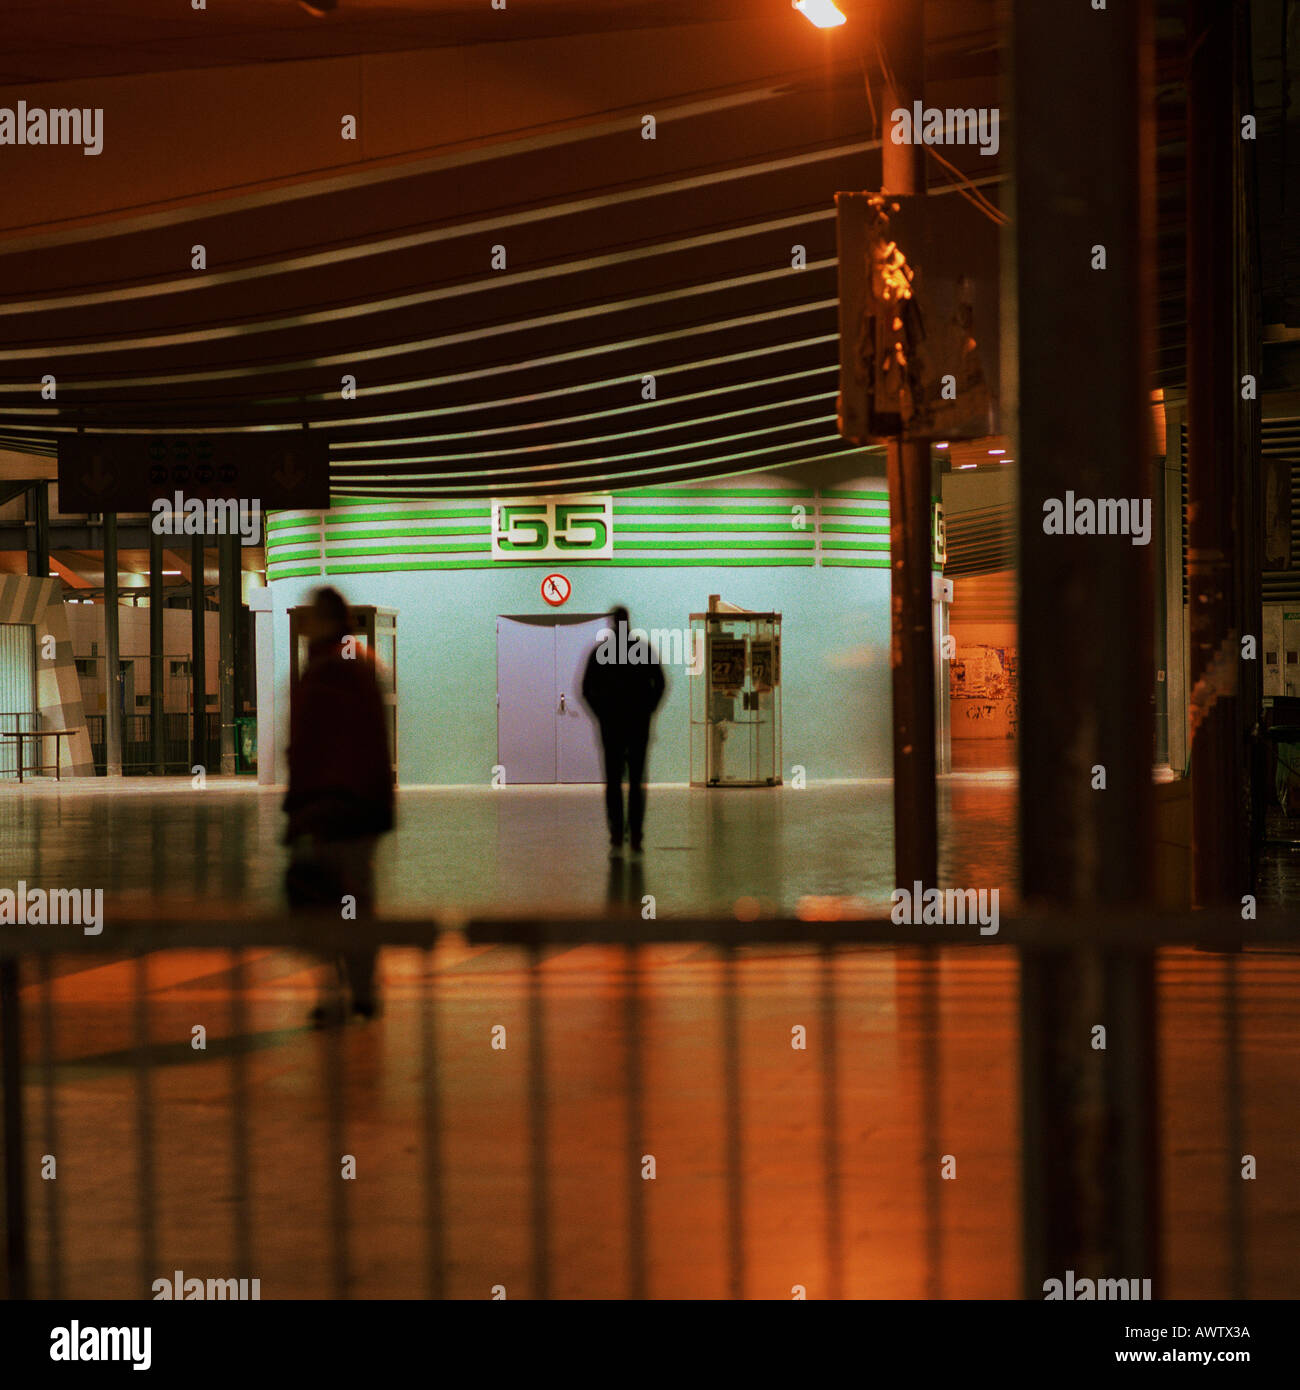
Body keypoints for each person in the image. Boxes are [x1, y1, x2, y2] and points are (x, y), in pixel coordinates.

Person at [283, 586, 394, 1025]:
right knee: (357, 898)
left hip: (329, 806)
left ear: (326, 621)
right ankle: (364, 992)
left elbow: (312, 746)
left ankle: (332, 995)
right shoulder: (363, 664)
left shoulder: (327, 668)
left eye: (312, 617)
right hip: (364, 805)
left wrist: (300, 808)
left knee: (324, 901)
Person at [581, 606, 666, 856]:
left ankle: (617, 834)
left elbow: (586, 689)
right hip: (638, 725)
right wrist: (648, 710)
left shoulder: (601, 652)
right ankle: (636, 835)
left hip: (612, 727)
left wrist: (601, 715)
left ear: (610, 623)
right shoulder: (642, 649)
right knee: (638, 782)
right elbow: (660, 683)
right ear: (628, 622)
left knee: (614, 783)